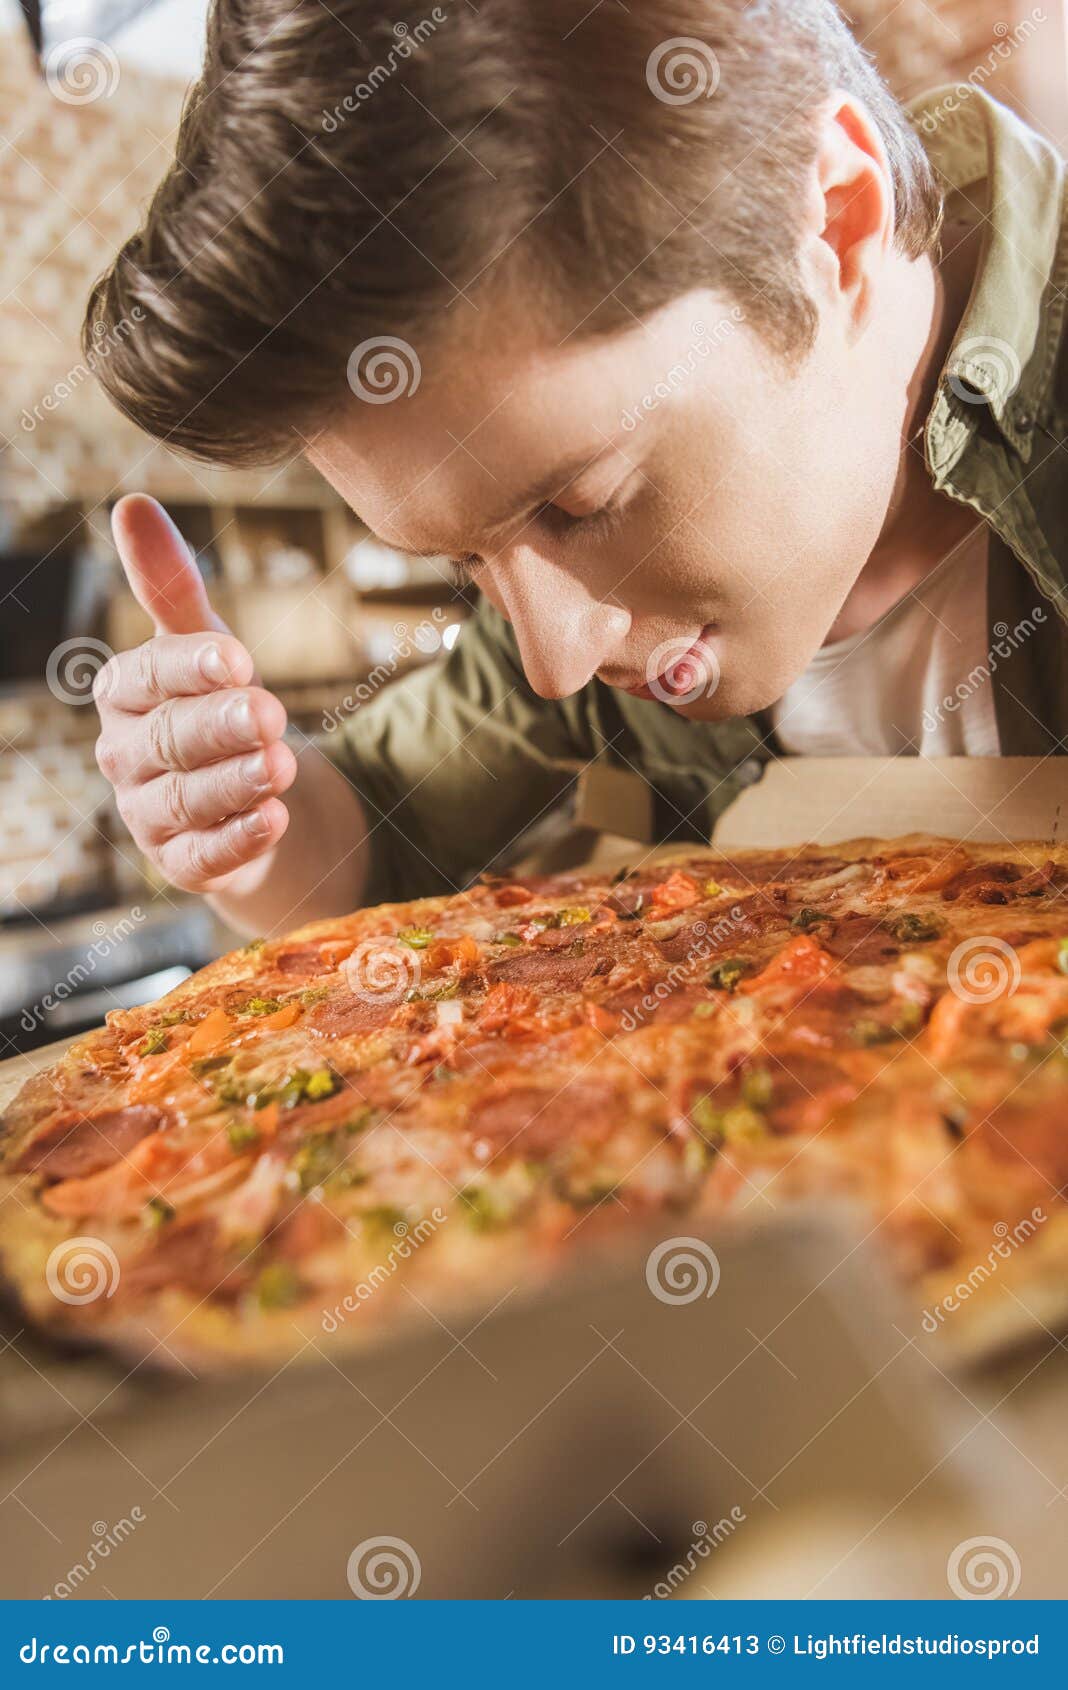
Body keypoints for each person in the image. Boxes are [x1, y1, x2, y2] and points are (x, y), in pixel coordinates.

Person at [87, 0, 1067, 938]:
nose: (553, 666)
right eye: (469, 561)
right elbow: (375, 833)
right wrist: (237, 809)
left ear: (836, 223)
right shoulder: (563, 610)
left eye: (580, 502)